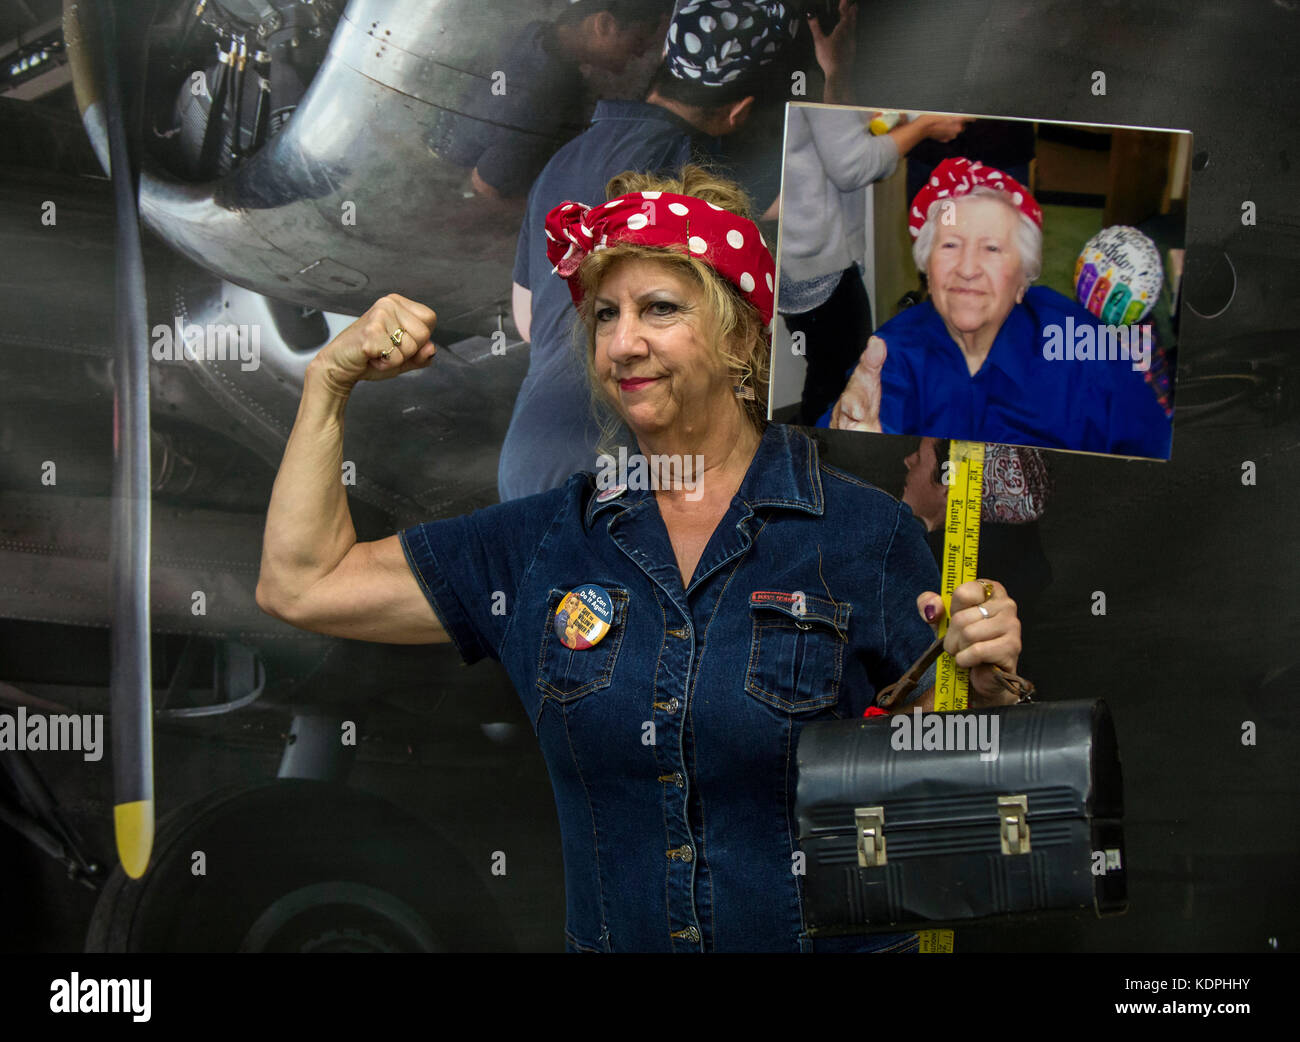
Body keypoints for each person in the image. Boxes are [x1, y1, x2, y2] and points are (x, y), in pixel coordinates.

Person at [255, 165, 1025, 953]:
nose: (622, 343)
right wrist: (328, 382)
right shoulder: (544, 544)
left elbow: (942, 787)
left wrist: (982, 685)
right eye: (606, 316)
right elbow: (303, 582)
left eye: (659, 309)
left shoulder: (867, 534)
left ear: (740, 335)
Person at [500, 0, 806, 502]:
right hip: (629, 467)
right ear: (738, 112)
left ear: (667, 55)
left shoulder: (565, 159)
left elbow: (528, 320)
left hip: (531, 456)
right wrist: (840, 73)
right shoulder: (695, 173)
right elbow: (821, 184)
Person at [824, 158, 1173, 459]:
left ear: (1024, 279)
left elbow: (1153, 457)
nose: (968, 268)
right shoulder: (892, 352)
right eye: (950, 245)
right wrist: (856, 451)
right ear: (927, 270)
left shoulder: (1084, 350)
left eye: (991, 248)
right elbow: (849, 437)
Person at [780, 105, 970, 424]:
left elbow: (837, 150)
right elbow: (852, 167)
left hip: (806, 251)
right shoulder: (822, 79)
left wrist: (885, 125)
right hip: (812, 258)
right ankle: (820, 452)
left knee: (830, 370)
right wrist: (923, 127)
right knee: (836, 380)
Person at [437, 0, 671, 200]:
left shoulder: (535, 33)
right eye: (638, 39)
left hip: (446, 136)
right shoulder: (545, 95)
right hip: (455, 178)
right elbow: (486, 186)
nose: (640, 53)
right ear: (605, 24)